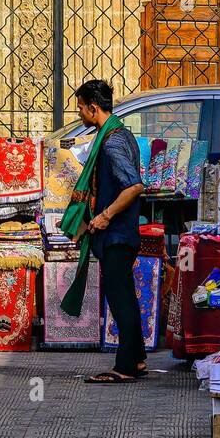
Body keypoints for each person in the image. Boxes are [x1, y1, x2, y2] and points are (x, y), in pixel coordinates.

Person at [73, 79, 148, 384]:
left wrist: (104, 216)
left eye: (81, 108)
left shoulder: (113, 140)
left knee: (120, 300)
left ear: (93, 108)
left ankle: (126, 366)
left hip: (117, 233)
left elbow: (133, 186)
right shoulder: (120, 134)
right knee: (125, 296)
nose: (79, 113)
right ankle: (138, 359)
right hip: (121, 233)